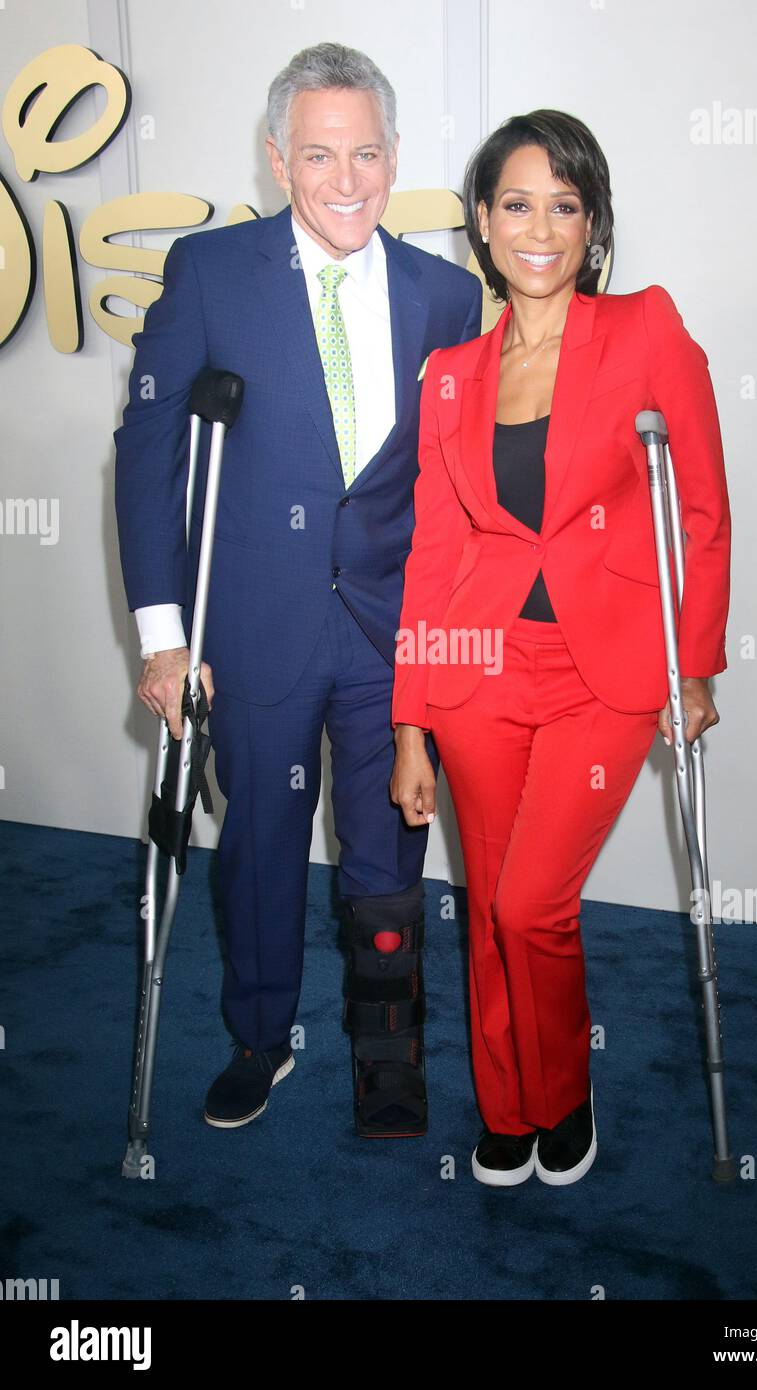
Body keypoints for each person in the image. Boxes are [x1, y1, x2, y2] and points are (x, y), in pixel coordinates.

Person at [114, 43, 482, 1138]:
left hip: (388, 635)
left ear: (395, 154)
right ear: (279, 158)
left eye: (366, 151)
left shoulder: (446, 295)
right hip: (254, 628)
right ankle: (259, 1040)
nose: (345, 177)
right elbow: (148, 456)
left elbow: (457, 487)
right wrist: (164, 636)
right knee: (260, 847)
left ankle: (386, 1059)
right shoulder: (212, 273)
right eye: (319, 153)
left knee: (385, 855)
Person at [390, 110, 731, 1185]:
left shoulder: (645, 330)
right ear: (482, 224)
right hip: (477, 671)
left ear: (592, 222)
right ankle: (507, 1105)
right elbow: (432, 554)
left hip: (606, 671)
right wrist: (410, 722)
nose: (541, 227)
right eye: (516, 203)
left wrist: (695, 663)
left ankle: (562, 1090)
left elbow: (702, 512)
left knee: (531, 901)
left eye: (565, 205)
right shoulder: (450, 372)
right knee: (486, 899)